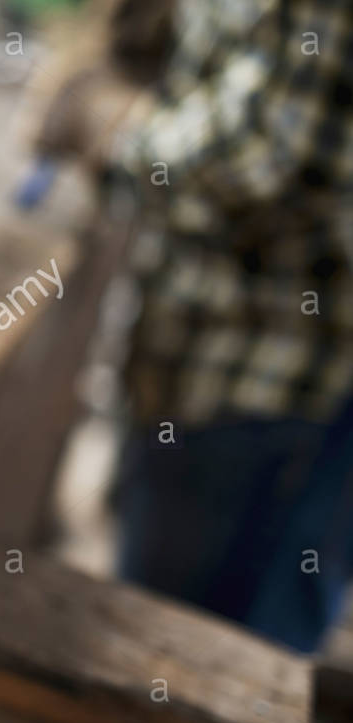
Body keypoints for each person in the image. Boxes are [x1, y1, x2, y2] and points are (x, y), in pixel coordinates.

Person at [103, 0, 353, 653]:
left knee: (172, 670)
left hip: (270, 382)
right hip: (225, 369)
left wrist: (118, 133)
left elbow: (272, 157)